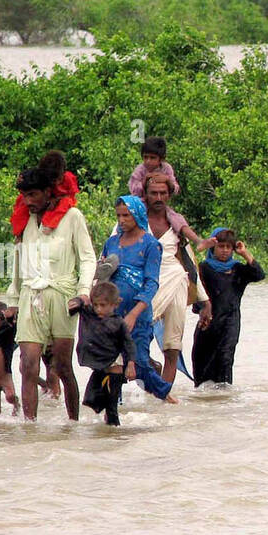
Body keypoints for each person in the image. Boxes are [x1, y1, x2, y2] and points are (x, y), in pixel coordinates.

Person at [4, 164, 98, 421]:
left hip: (62, 295)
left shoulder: (72, 217)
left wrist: (83, 292)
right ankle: (30, 428)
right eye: (25, 196)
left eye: (33, 195)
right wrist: (12, 301)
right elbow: (18, 261)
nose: (28, 201)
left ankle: (73, 424)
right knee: (28, 364)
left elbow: (88, 258)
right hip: (29, 295)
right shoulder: (25, 220)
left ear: (48, 192)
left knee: (63, 366)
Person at [99, 195, 177, 404]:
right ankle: (113, 411)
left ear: (138, 215)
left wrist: (134, 314)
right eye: (118, 216)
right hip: (112, 315)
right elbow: (103, 276)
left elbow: (151, 283)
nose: (122, 220)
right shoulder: (111, 243)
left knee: (140, 363)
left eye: (126, 215)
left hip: (139, 314)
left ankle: (166, 397)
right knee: (111, 364)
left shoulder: (151, 245)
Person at [143, 173, 204, 385]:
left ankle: (163, 397)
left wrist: (204, 301)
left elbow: (189, 264)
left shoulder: (177, 226)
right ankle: (149, 368)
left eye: (163, 193)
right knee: (132, 337)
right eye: (154, 193)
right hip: (144, 286)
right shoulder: (134, 219)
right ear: (146, 194)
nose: (158, 198)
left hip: (176, 283)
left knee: (172, 346)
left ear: (169, 196)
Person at [192, 229, 266, 386]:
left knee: (225, 360)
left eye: (228, 247)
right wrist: (202, 246)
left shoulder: (238, 269)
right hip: (208, 324)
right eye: (221, 246)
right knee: (202, 366)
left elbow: (259, 274)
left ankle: (225, 403)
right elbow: (193, 291)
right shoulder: (204, 269)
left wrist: (245, 254)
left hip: (230, 323)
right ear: (213, 248)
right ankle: (205, 406)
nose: (225, 251)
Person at [69, 281, 136, 426]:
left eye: (103, 305)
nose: (99, 309)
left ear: (115, 304)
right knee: (92, 400)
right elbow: (72, 308)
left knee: (111, 408)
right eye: (96, 305)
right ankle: (105, 429)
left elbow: (129, 344)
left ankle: (114, 434)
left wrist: (130, 364)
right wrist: (78, 301)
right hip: (99, 367)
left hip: (114, 368)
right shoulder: (89, 315)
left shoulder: (118, 323)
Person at [9, 151, 78, 241]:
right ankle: (19, 234)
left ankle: (50, 225)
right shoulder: (40, 178)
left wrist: (57, 199)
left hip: (60, 202)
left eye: (58, 179)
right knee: (21, 210)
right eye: (52, 180)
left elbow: (70, 195)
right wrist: (22, 179)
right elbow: (30, 180)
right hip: (42, 202)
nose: (56, 182)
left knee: (65, 203)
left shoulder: (67, 179)